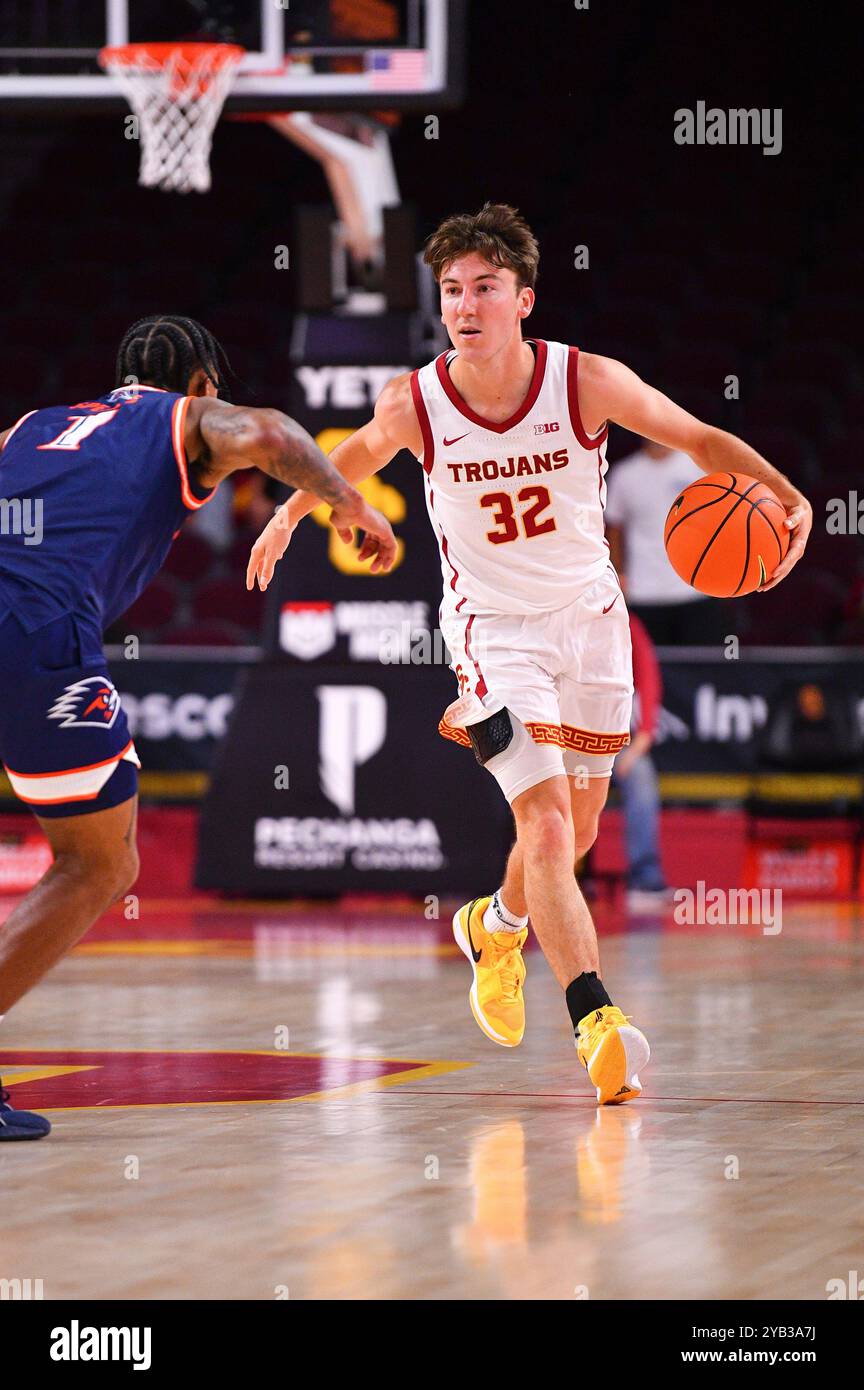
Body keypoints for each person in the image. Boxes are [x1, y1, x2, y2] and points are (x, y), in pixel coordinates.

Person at [247, 204, 812, 1105]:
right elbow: (343, 460)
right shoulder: (418, 401)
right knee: (547, 828)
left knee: (579, 835)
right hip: (492, 635)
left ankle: (495, 923)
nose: (465, 306)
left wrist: (788, 497)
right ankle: (597, 1021)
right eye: (451, 292)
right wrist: (285, 516)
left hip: (591, 625)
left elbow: (702, 440)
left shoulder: (585, 383)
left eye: (483, 289)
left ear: (524, 300)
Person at [0, 314, 397, 1141]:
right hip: (35, 628)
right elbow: (271, 433)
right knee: (97, 862)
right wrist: (348, 502)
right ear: (203, 384)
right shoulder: (176, 420)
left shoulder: (33, 427)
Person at [605, 438, 726, 644]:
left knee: (698, 670)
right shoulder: (625, 475)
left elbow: (720, 522)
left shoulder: (698, 469)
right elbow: (614, 530)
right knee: (648, 672)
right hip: (643, 592)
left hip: (693, 591)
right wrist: (618, 576)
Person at [614, 614, 671, 912]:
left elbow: (648, 678)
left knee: (641, 774)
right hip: (568, 739)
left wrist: (644, 738)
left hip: (616, 742)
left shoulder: (628, 624)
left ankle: (645, 879)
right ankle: (553, 881)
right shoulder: (563, 614)